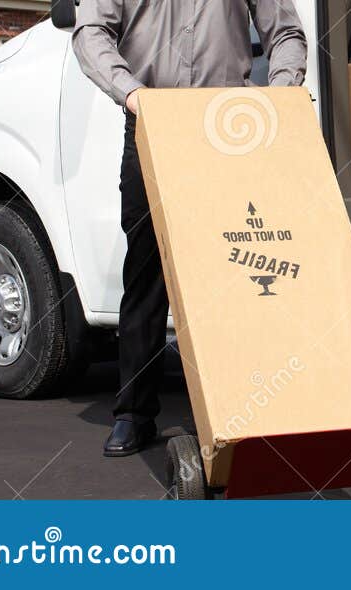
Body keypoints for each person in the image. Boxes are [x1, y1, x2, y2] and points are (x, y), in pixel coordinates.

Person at [72, 0, 308, 457]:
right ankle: (134, 415)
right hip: (151, 123)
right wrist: (132, 92)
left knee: (237, 272)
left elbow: (286, 34)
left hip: (229, 128)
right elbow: (89, 34)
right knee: (147, 273)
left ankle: (246, 413)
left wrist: (279, 96)